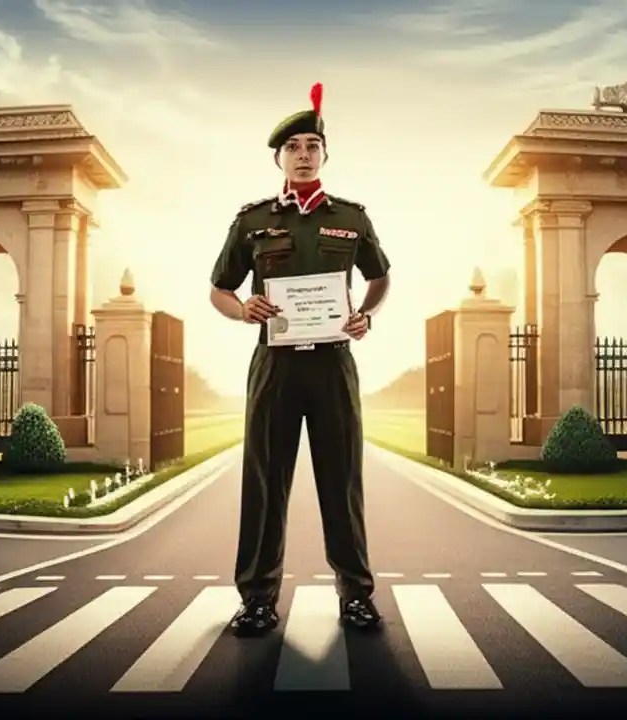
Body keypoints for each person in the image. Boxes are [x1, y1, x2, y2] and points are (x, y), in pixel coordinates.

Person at [208, 82, 392, 637]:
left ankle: (356, 596)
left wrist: (365, 315)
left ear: (325, 155)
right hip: (275, 366)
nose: (304, 154)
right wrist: (243, 310)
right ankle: (257, 600)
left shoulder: (352, 218)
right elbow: (219, 289)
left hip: (333, 365)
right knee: (264, 483)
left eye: (313, 146)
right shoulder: (252, 221)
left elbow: (380, 277)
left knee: (342, 481)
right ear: (279, 159)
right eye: (293, 147)